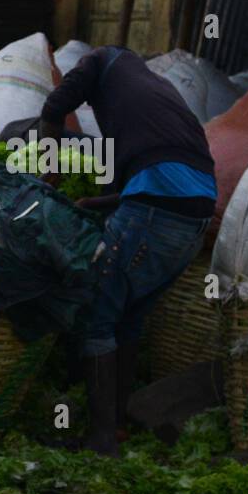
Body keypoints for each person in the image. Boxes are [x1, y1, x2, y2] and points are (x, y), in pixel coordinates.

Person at [38, 45, 217, 455]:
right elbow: (153, 182)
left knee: (98, 317)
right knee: (128, 320)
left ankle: (101, 439)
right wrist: (91, 204)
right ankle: (116, 425)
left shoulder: (100, 61)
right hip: (194, 222)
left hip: (155, 214)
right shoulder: (158, 96)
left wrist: (49, 169)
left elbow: (54, 105)